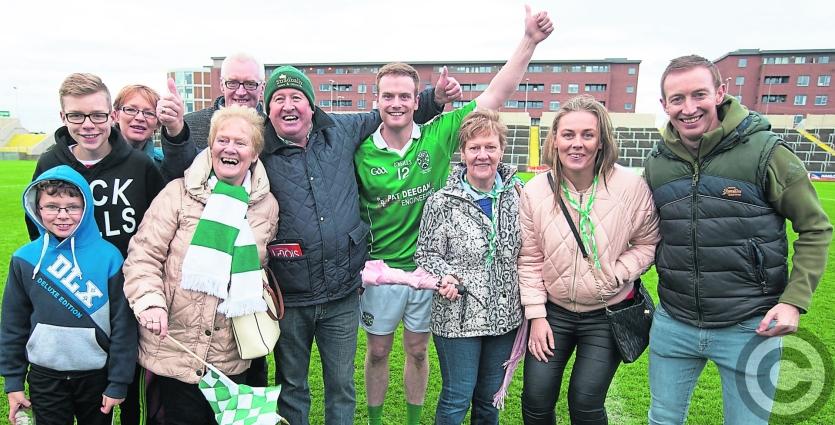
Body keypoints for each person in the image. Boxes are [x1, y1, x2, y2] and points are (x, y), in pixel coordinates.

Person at [160, 63, 458, 425]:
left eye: (297, 97)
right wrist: (176, 131)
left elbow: (392, 111)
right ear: (267, 111)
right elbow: (198, 166)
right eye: (279, 99)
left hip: (342, 294)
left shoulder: (342, 130)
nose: (288, 105)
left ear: (312, 105)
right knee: (293, 387)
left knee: (341, 387)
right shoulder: (258, 149)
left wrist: (436, 98)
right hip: (291, 297)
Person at [355, 7, 552, 424]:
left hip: (431, 274)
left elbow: (495, 96)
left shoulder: (439, 134)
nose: (396, 103)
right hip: (381, 271)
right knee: (376, 351)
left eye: (404, 96)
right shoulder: (360, 147)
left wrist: (529, 41)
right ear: (376, 101)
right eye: (387, 96)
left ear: (415, 100)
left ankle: (411, 420)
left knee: (418, 349)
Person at [644, 55, 832, 425]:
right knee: (662, 419)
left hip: (749, 325)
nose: (688, 108)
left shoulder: (766, 152)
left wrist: (794, 302)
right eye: (677, 99)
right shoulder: (657, 163)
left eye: (699, 94)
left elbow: (815, 227)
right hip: (674, 322)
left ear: (720, 93)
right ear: (664, 105)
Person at [122, 106, 278, 424]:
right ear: (210, 144)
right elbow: (143, 257)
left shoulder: (267, 206)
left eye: (240, 142)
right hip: (174, 353)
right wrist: (150, 302)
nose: (230, 148)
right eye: (222, 140)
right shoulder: (177, 194)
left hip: (233, 356)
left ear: (255, 152)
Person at [518, 95, 660, 424]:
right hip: (553, 313)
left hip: (606, 313)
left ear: (601, 141)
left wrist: (619, 273)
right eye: (568, 135)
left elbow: (648, 241)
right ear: (554, 140)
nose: (577, 144)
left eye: (587, 135)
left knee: (584, 401)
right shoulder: (536, 191)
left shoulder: (630, 186)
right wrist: (537, 316)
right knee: (536, 399)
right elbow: (528, 259)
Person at [1, 165, 138, 425]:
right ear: (36, 209)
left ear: (86, 208)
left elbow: (123, 326)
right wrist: (14, 381)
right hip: (45, 377)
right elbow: (12, 324)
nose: (62, 215)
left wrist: (118, 382)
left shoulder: (109, 257)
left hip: (95, 376)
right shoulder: (25, 259)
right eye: (52, 206)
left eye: (72, 206)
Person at [413, 109, 522, 424]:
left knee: (489, 402)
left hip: (504, 317)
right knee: (457, 398)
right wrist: (445, 275)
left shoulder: (517, 194)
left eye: (490, 147)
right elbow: (427, 252)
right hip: (457, 317)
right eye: (474, 148)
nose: (483, 155)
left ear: (502, 150)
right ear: (462, 152)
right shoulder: (441, 201)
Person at [26, 73, 165, 260]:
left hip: (128, 279)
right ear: (63, 117)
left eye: (98, 115)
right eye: (76, 116)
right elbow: (36, 222)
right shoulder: (50, 163)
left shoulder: (141, 165)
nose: (88, 125)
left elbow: (159, 225)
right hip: (69, 280)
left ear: (112, 116)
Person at [113, 84, 164, 168]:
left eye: (149, 113)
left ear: (158, 123)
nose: (140, 118)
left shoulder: (165, 163)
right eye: (131, 110)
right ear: (116, 116)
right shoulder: (95, 159)